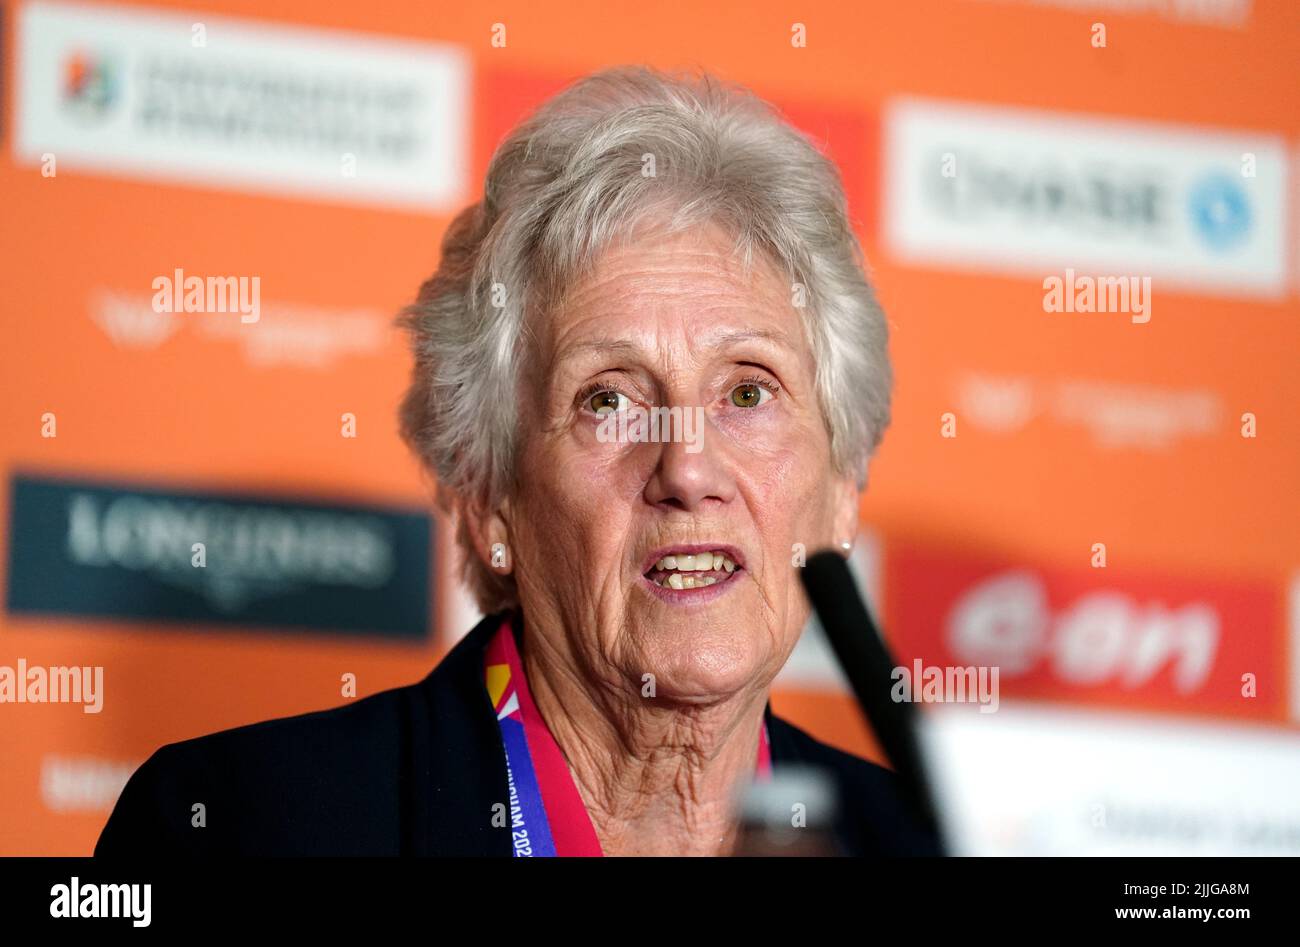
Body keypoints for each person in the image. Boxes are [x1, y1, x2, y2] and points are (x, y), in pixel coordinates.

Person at [96, 66, 938, 857]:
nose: (688, 467)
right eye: (608, 398)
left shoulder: (925, 840)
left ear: (840, 488)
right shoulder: (240, 826)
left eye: (748, 394)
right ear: (490, 499)